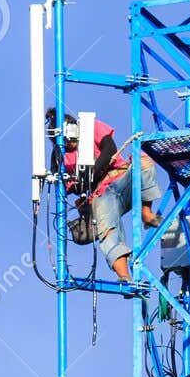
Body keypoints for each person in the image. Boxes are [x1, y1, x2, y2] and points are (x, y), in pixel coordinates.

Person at [47, 108, 161, 283]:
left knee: (142, 160)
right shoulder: (60, 156)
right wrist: (80, 182)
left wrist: (93, 170)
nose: (70, 144)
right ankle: (124, 276)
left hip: (122, 180)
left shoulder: (90, 127)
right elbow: (64, 186)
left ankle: (146, 212)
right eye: (64, 142)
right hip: (102, 194)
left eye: (70, 138)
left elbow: (109, 148)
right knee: (108, 230)